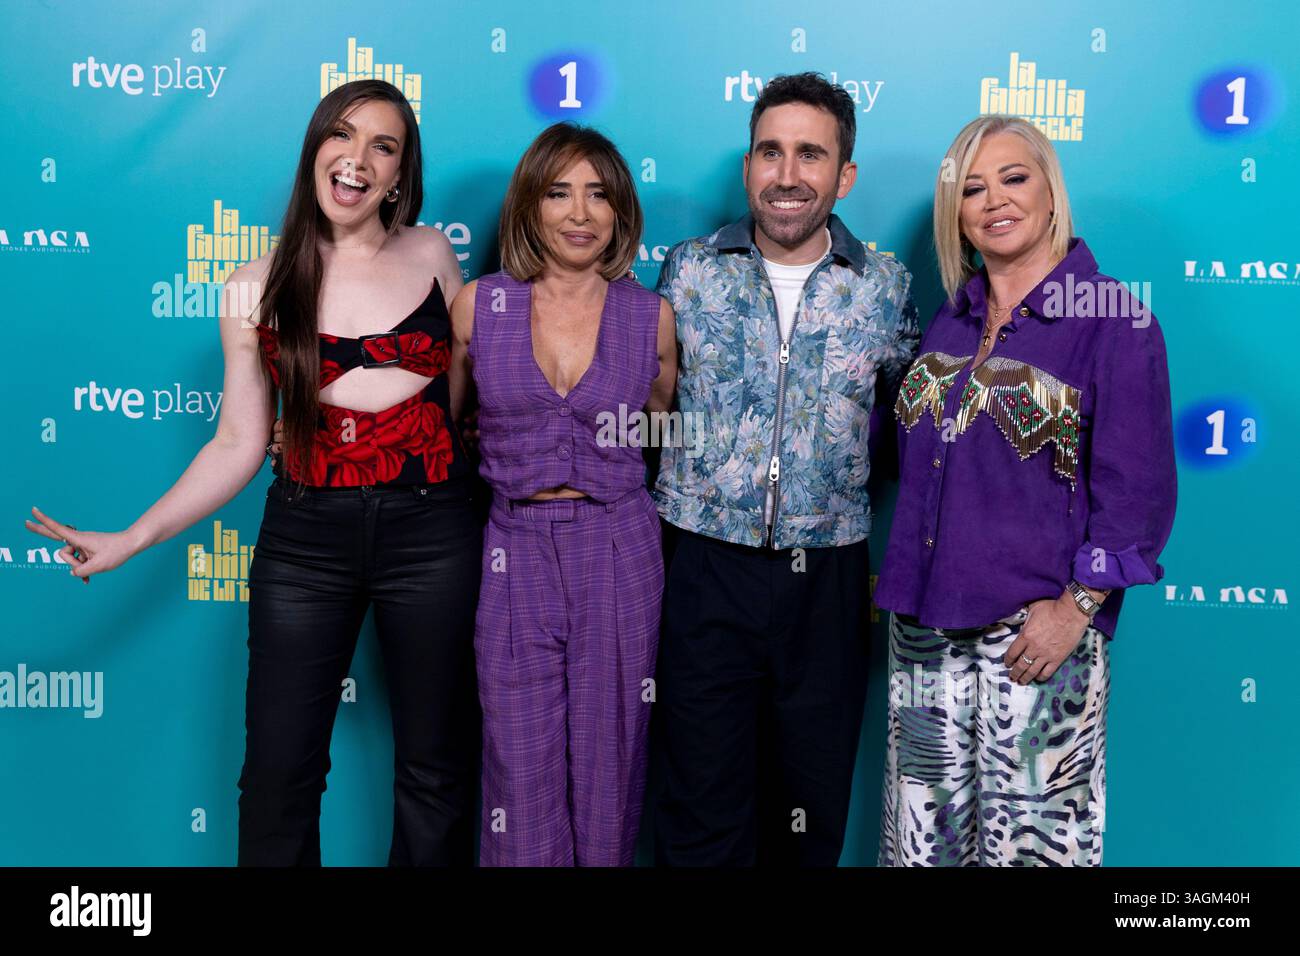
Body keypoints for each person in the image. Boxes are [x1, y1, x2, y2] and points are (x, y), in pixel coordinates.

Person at [27, 79, 481, 866]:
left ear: (402, 173)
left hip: (433, 532)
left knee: (435, 767)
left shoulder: (436, 253)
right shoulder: (253, 286)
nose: (358, 159)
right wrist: (133, 537)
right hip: (306, 542)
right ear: (314, 152)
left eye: (384, 146)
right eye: (343, 136)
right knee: (278, 774)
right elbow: (238, 440)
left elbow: (460, 401)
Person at [873, 115, 1177, 866]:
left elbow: (1135, 491)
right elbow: (906, 461)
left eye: (1013, 177)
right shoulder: (950, 320)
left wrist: (1077, 610)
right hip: (922, 629)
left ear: (1049, 192)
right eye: (971, 187)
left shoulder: (1114, 320)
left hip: (1034, 635)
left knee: (1032, 851)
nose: (993, 200)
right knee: (921, 849)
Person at [651, 72, 921, 866]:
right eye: (771, 151)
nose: (788, 174)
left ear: (845, 175)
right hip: (702, 564)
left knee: (808, 807)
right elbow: (647, 402)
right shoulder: (688, 270)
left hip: (827, 578)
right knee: (699, 806)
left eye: (811, 154)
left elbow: (915, 428)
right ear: (747, 167)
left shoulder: (883, 287)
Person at [447, 122, 677, 866]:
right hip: (513, 547)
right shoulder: (480, 306)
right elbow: (452, 424)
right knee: (518, 763)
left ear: (619, 213)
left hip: (619, 543)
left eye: (598, 194)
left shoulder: (652, 318)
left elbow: (662, 427)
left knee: (610, 760)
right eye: (559, 192)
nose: (579, 213)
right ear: (530, 205)